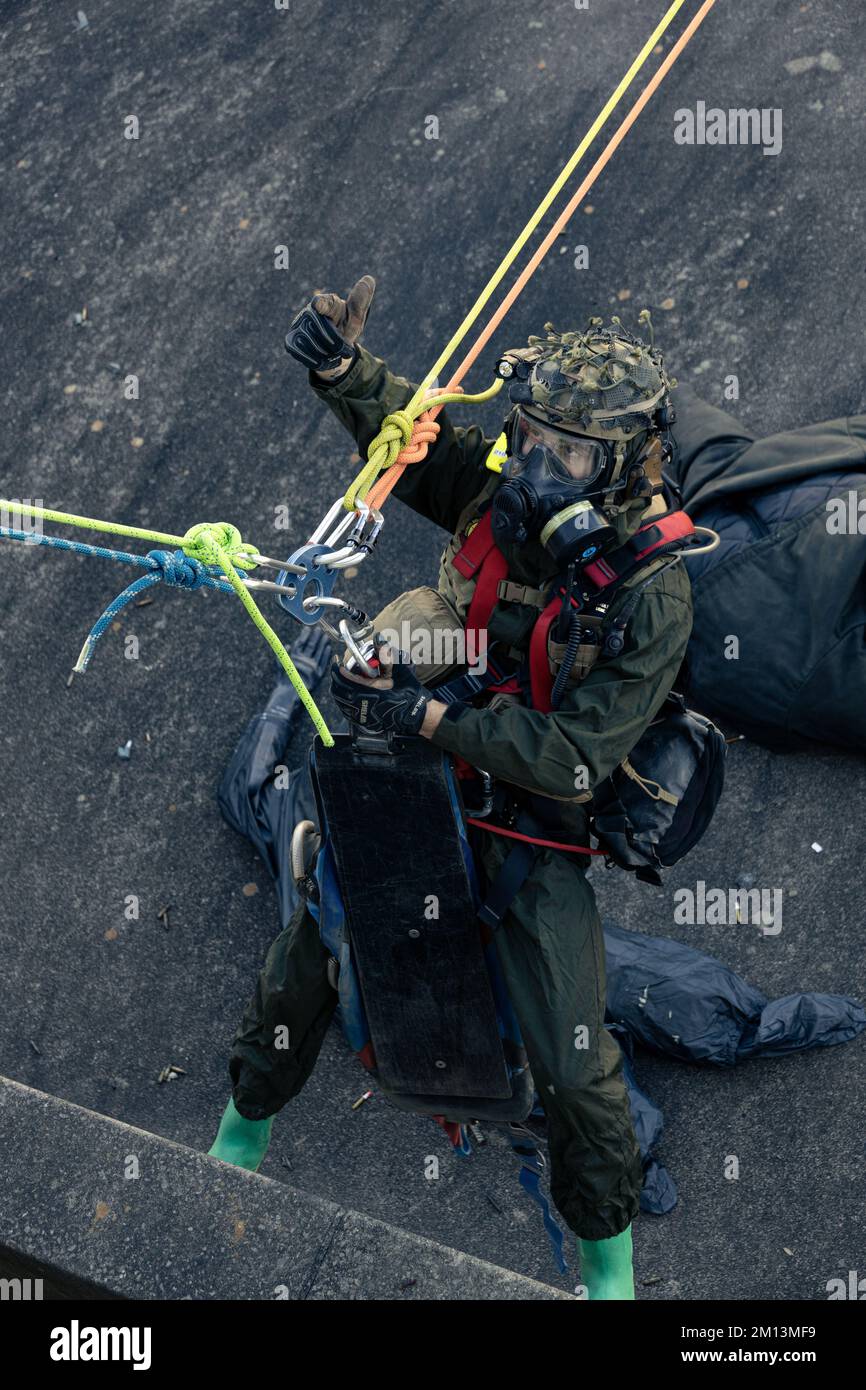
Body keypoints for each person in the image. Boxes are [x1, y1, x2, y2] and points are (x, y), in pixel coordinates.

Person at [209, 277, 697, 1300]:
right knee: (309, 954)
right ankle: (235, 1140)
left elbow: (573, 758)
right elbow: (418, 445)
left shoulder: (652, 594)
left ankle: (607, 1271)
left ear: (620, 465)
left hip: (532, 829)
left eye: (564, 453)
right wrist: (345, 374)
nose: (534, 465)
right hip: (421, 780)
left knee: (573, 1067)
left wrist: (427, 717)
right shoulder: (504, 480)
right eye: (527, 435)